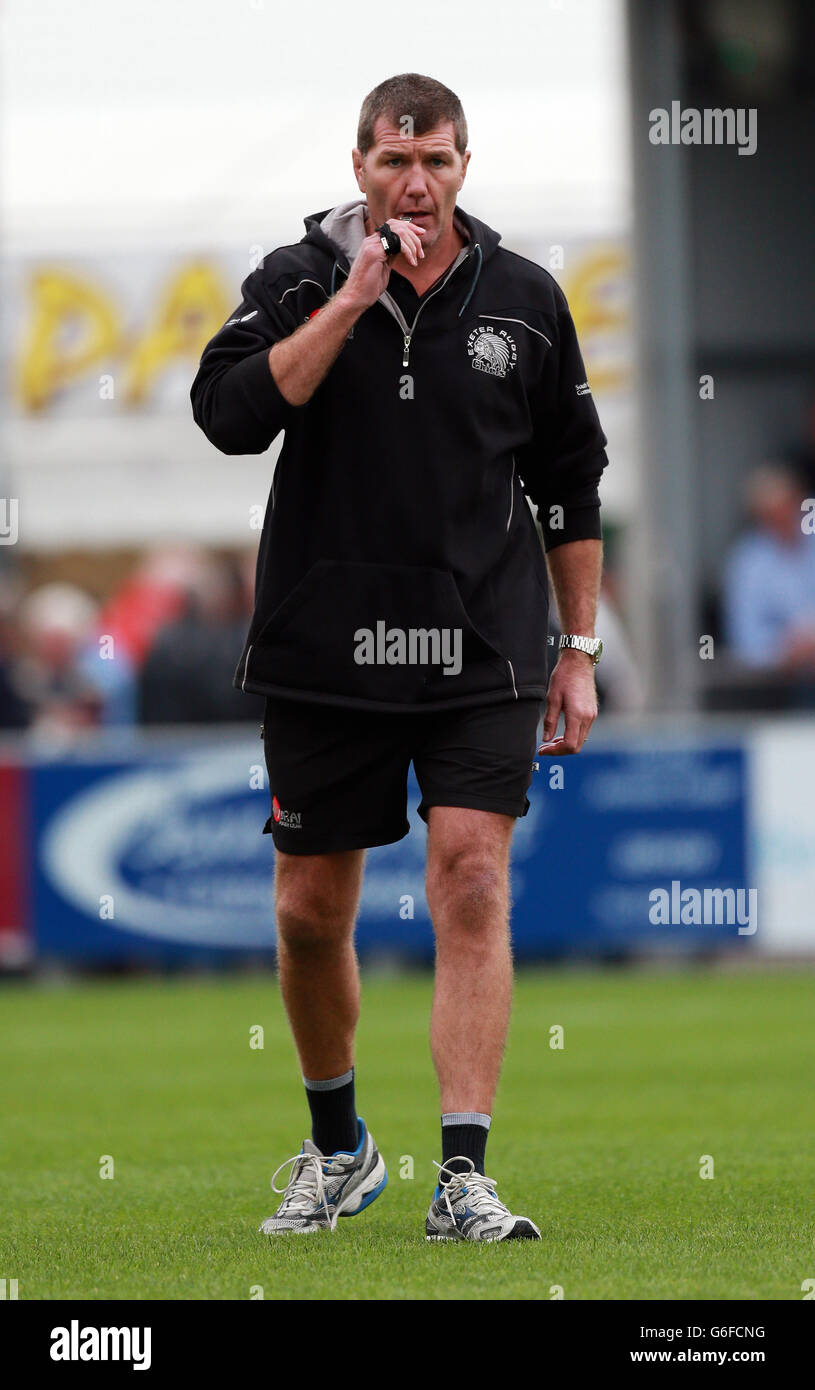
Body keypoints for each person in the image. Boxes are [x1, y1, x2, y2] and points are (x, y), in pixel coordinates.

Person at [191, 73, 609, 1242]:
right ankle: (339, 1151)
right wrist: (347, 300)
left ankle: (463, 1172)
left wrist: (576, 650)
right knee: (309, 912)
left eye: (432, 162)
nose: (411, 182)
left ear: (464, 166)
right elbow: (225, 415)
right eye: (389, 161)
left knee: (471, 878)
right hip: (326, 649)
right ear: (360, 168)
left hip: (482, 645)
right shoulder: (293, 280)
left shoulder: (523, 297)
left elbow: (570, 485)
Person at [723, 463, 815, 692]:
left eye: (790, 506)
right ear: (761, 516)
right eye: (775, 513)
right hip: (783, 689)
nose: (786, 517)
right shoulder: (747, 563)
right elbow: (746, 642)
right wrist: (787, 651)